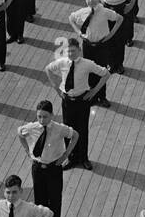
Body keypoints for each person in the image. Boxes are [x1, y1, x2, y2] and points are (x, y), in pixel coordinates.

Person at [45, 36, 109, 170]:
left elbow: (105, 74)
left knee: (82, 129)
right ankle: (71, 158)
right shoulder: (62, 63)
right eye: (68, 51)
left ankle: (83, 158)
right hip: (67, 101)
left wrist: (94, 92)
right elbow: (48, 69)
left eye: (73, 51)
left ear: (79, 50)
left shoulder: (87, 64)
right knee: (68, 130)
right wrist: (57, 88)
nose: (70, 54)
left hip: (82, 101)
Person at [18, 100, 76, 217]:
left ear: (52, 115)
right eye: (39, 116)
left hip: (53, 168)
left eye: (45, 116)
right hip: (38, 168)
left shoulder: (59, 128)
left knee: (55, 199)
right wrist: (28, 152)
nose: (42, 120)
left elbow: (75, 135)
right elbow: (19, 132)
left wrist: (65, 155)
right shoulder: (32, 128)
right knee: (40, 198)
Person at [70, 0, 125, 100]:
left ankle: (102, 97)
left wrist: (111, 34)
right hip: (88, 46)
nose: (91, 1)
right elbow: (71, 18)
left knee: (102, 71)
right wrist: (78, 32)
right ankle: (92, 96)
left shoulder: (104, 12)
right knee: (89, 70)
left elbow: (120, 18)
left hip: (101, 46)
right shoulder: (83, 12)